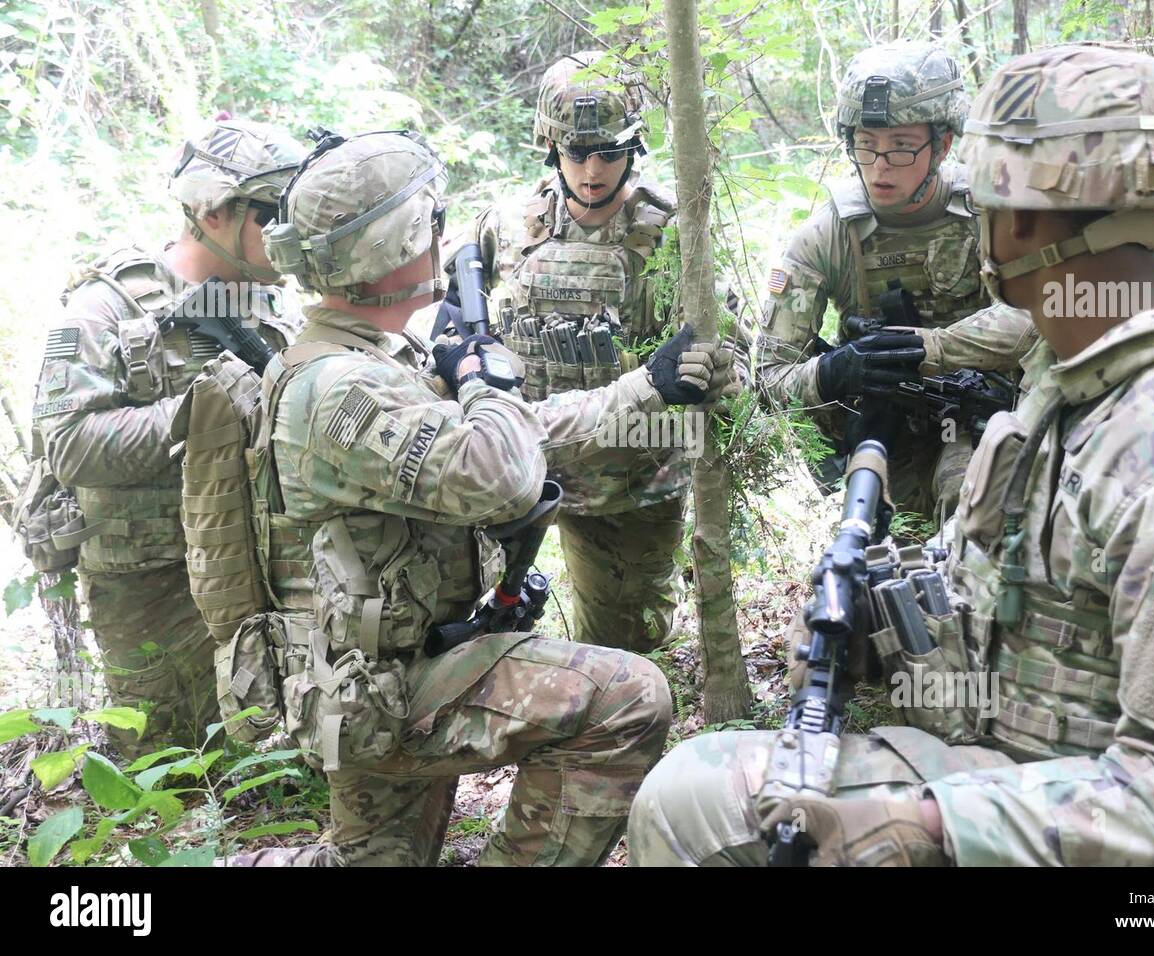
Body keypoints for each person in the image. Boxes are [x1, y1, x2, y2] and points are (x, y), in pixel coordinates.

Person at [627, 44, 1154, 867]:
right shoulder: (1078, 384)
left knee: (687, 801)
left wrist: (935, 823)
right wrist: (873, 625)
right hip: (1040, 764)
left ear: (1009, 220)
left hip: (1122, 837)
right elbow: (1016, 611)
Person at [239, 129, 733, 866]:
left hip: (389, 666)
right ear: (394, 245)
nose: (441, 238)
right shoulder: (340, 386)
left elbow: (517, 435)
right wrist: (481, 377)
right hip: (380, 690)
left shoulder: (374, 356)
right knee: (630, 697)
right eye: (430, 224)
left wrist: (643, 390)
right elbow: (497, 467)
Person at [34, 119, 305, 757]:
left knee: (284, 759)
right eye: (273, 212)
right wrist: (198, 412)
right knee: (172, 768)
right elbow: (68, 445)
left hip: (261, 569)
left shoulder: (271, 303)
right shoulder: (107, 310)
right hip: (154, 582)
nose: (290, 231)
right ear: (214, 212)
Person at [447, 50, 699, 653]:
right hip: (516, 464)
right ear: (551, 147)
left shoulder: (670, 232)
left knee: (626, 650)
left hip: (629, 478)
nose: (592, 169)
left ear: (633, 150)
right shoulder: (507, 223)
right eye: (576, 152)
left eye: (609, 153)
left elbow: (725, 349)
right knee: (457, 629)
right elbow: (450, 315)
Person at [751, 40, 1034, 517]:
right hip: (889, 433)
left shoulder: (991, 213)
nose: (879, 168)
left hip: (987, 419)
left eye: (901, 149)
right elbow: (769, 379)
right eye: (865, 146)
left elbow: (1044, 315)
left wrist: (939, 349)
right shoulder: (828, 238)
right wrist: (836, 369)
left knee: (969, 499)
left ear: (942, 146)